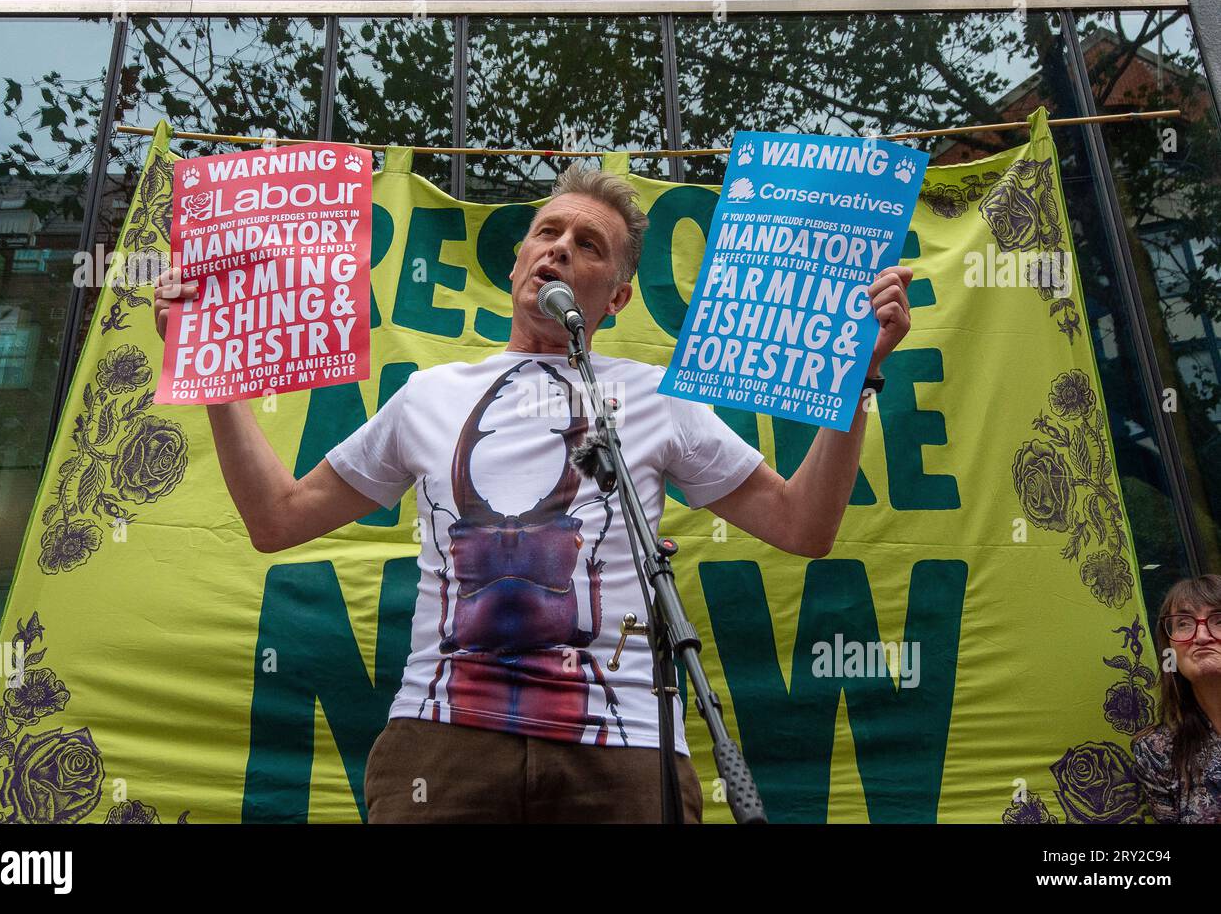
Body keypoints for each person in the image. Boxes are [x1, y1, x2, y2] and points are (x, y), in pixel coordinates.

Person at [153, 162, 913, 823]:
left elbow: (803, 524)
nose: (559, 248)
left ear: (614, 298)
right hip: (443, 745)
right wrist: (212, 374)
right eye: (548, 232)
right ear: (518, 259)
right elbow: (278, 518)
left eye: (589, 246)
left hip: (625, 751)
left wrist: (860, 376)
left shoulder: (657, 396)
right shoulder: (428, 396)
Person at [1132, 575, 1221, 823]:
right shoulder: (1157, 751)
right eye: (1183, 623)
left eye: (1219, 620)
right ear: (1170, 650)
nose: (1201, 636)